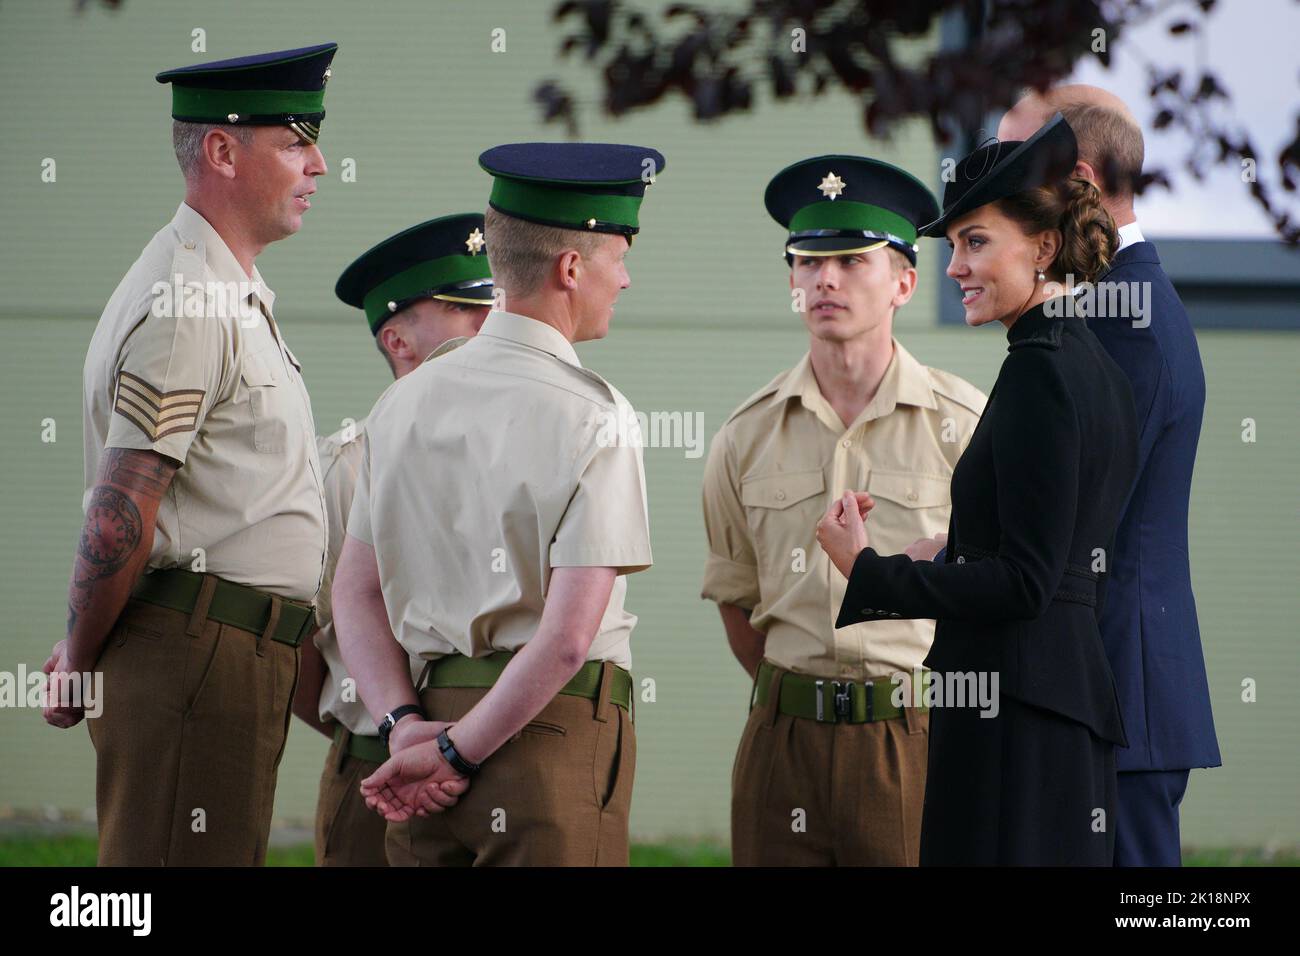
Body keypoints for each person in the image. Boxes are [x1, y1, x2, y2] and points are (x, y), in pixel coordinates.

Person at [42, 43, 337, 865]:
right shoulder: (192, 302)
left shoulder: (217, 288)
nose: (319, 164)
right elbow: (124, 498)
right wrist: (79, 651)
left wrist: (82, 644)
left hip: (217, 653)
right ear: (220, 150)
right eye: (294, 141)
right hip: (196, 654)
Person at [816, 115, 1140, 865]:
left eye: (976, 242)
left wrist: (869, 572)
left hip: (1016, 721)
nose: (955, 267)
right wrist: (954, 551)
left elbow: (1027, 583)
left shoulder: (1040, 370)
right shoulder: (1093, 366)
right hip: (1056, 707)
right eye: (954, 245)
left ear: (1045, 247)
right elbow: (1054, 552)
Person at [333, 142, 663, 866]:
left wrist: (405, 728)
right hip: (544, 734)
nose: (626, 279)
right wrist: (456, 752)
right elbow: (569, 638)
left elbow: (353, 594)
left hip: (422, 726)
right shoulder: (596, 415)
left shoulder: (399, 404)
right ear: (571, 268)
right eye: (618, 255)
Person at [701, 155, 986, 865]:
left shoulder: (966, 425)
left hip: (913, 734)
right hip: (783, 739)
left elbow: (996, 593)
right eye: (807, 262)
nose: (825, 280)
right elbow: (737, 599)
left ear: (904, 282)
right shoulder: (745, 433)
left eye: (854, 261)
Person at [998, 85, 1221, 868]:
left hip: (1118, 697)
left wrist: (938, 564)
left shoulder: (1126, 319)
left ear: (1081, 183)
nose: (996, 188)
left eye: (1014, 166)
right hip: (1107, 693)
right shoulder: (1113, 305)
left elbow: (1073, 517)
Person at [293, 214, 493, 866]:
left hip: (503, 765)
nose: (493, 327)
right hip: (376, 771)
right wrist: (378, 727)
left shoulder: (519, 454)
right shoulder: (345, 468)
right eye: (468, 311)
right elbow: (301, 643)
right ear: (397, 338)